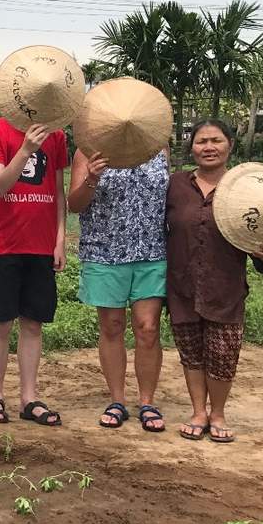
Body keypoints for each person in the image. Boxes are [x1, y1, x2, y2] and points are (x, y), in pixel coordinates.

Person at [167, 119, 263, 443]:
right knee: (191, 352)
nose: (208, 147)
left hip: (225, 287)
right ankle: (198, 412)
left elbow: (259, 236)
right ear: (191, 147)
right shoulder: (175, 185)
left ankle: (218, 414)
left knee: (223, 355)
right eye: (201, 141)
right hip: (182, 285)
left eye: (216, 140)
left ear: (230, 144)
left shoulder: (246, 190)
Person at [67, 147, 168, 432]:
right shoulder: (88, 151)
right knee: (111, 326)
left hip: (152, 251)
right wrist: (91, 178)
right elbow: (74, 204)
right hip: (104, 251)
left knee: (148, 328)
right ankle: (117, 400)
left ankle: (147, 402)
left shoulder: (158, 147)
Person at [0, 117, 68, 426]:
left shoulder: (55, 134)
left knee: (33, 323)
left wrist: (60, 238)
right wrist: (26, 149)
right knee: (0, 322)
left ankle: (29, 398)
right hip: (2, 244)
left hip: (41, 245)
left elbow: (57, 191)